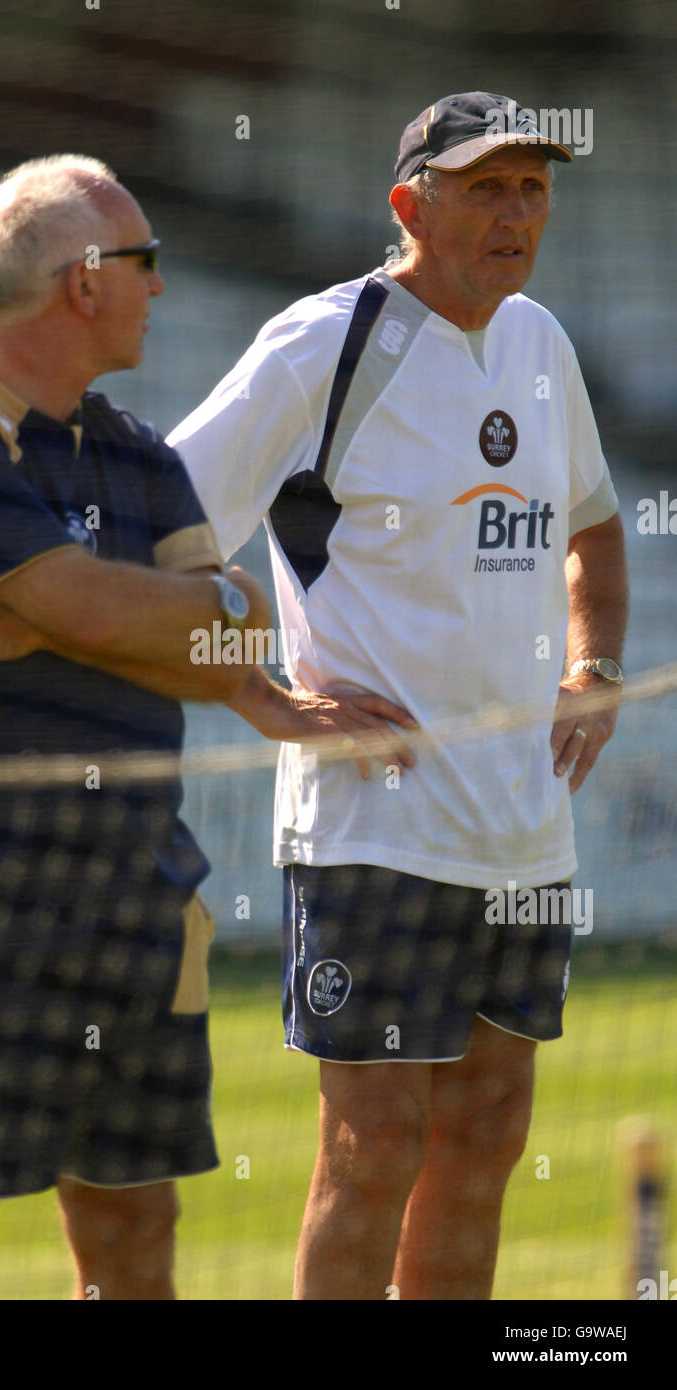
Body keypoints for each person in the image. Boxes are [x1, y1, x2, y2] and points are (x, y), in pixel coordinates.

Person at [165, 91, 629, 1299]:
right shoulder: (323, 346)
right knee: (370, 1153)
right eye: (484, 187)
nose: (515, 212)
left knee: (483, 1147)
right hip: (377, 831)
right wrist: (265, 699)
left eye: (531, 188)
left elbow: (591, 524)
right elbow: (163, 538)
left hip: (524, 835)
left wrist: (595, 667)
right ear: (406, 204)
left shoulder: (540, 344)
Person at [0, 154, 271, 1301]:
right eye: (145, 265)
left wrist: (75, 611)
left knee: (137, 1239)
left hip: (137, 895)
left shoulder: (135, 449)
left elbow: (237, 640)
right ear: (84, 282)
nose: (159, 289)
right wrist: (147, 607)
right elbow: (110, 606)